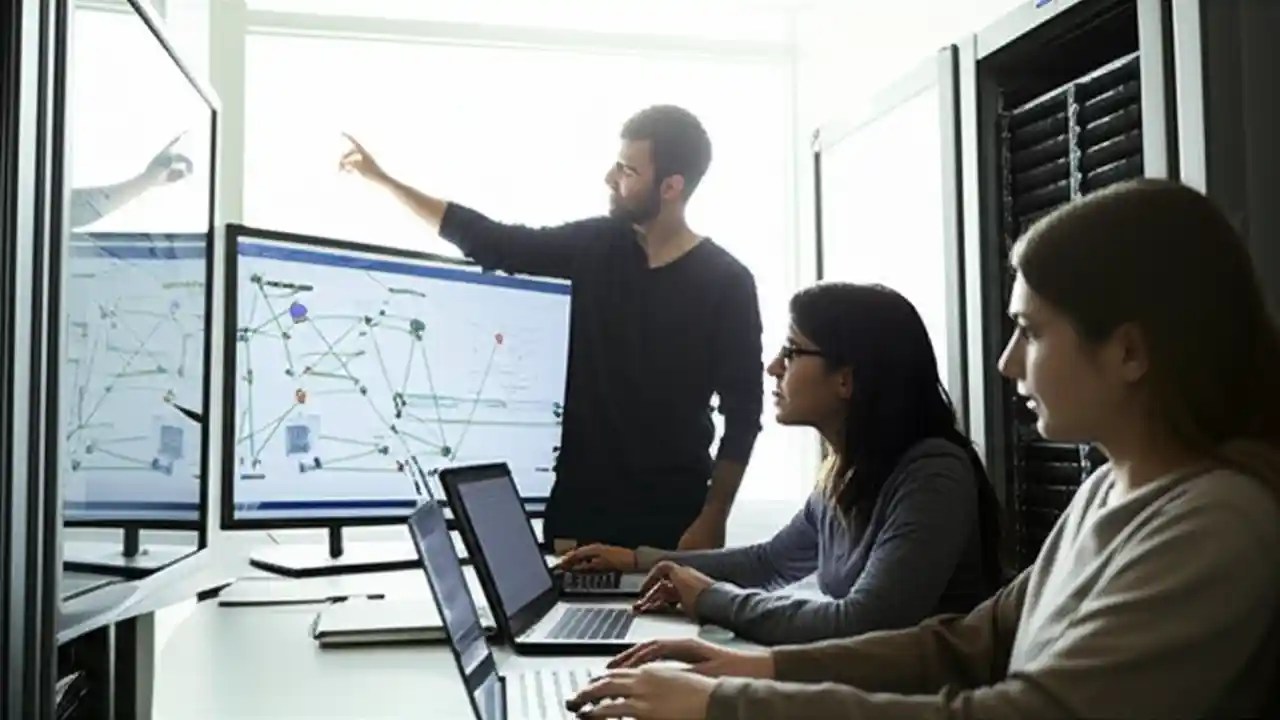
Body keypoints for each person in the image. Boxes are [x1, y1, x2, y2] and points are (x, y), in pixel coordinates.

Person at [563, 179, 1280, 720]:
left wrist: (729, 704)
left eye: (1030, 332)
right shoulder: (1109, 493)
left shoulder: (1215, 524)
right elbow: (967, 643)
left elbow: (1030, 714)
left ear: (1128, 351)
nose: (1006, 363)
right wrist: (752, 670)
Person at [339, 105, 763, 551]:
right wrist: (385, 182)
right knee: (565, 624)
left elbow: (743, 414)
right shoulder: (595, 245)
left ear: (671, 187)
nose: (609, 178)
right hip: (578, 521)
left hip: (672, 528)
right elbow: (495, 242)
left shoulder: (727, 282)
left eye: (626, 170)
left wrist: (714, 519)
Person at [556, 282, 1003, 645]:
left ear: (846, 378)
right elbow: (769, 563)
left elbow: (864, 622)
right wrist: (637, 560)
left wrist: (710, 598)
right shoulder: (846, 472)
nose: (773, 367)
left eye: (791, 352)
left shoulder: (933, 474)